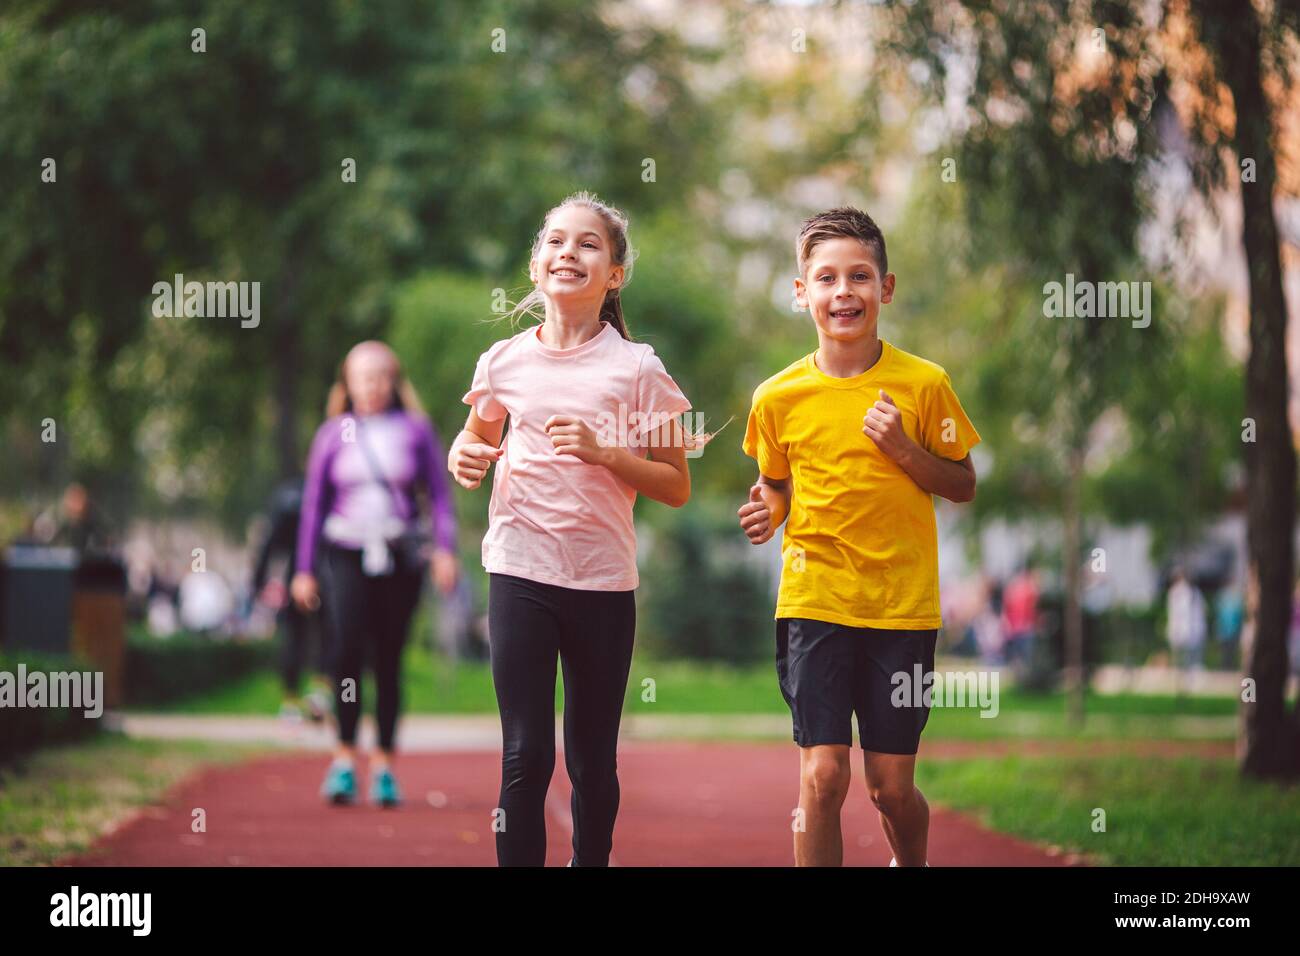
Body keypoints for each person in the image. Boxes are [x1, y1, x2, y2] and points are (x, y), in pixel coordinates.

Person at [450, 191, 692, 866]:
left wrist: (608, 453)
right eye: (555, 241)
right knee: (525, 754)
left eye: (589, 244)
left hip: (602, 581)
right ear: (535, 265)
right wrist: (460, 455)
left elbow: (675, 482)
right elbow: (471, 442)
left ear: (614, 274)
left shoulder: (638, 367)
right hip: (519, 570)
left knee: (591, 760)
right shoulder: (503, 361)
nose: (568, 253)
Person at [738, 207, 980, 867]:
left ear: (887, 287)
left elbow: (962, 483)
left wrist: (903, 448)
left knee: (890, 787)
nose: (843, 291)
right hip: (815, 600)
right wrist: (769, 510)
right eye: (826, 278)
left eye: (859, 276)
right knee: (822, 776)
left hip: (901, 608)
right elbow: (776, 483)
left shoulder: (925, 386)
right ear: (801, 292)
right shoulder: (777, 397)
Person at [292, 341, 459, 808]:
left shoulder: (416, 430)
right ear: (347, 383)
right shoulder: (332, 434)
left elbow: (439, 497)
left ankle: (384, 764)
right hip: (345, 556)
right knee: (345, 654)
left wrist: (445, 551)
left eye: (382, 375)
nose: (373, 384)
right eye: (363, 376)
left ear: (395, 379)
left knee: (389, 659)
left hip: (399, 557)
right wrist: (304, 569)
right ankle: (344, 758)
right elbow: (313, 506)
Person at [251, 477, 329, 722]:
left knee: (293, 637)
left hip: (295, 577)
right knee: (327, 634)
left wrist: (258, 581)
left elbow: (270, 543)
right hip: (326, 574)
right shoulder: (330, 492)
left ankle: (292, 704)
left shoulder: (287, 496)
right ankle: (319, 693)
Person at [1166, 567, 1206, 686]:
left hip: (1191, 628)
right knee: (1181, 655)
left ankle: (1189, 675)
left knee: (1190, 655)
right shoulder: (1176, 592)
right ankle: (1181, 675)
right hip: (1181, 628)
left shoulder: (1193, 592)